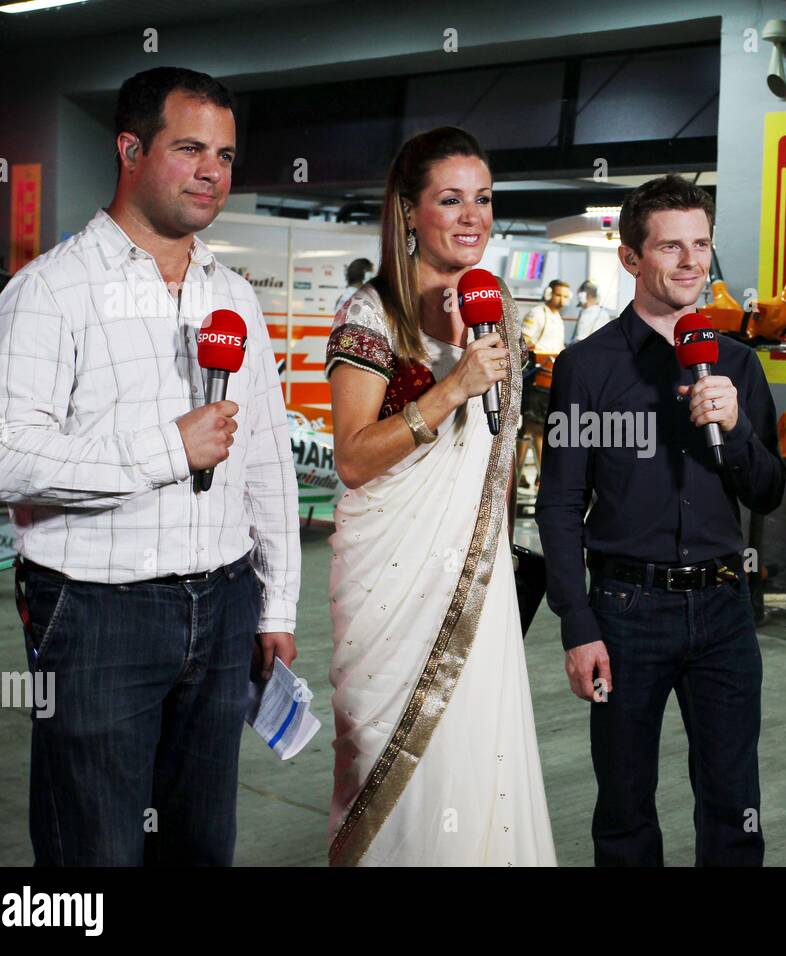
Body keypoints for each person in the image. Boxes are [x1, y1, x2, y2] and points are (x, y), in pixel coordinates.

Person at [0, 66, 301, 866]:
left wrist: (277, 604)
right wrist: (166, 448)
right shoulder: (51, 291)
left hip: (224, 606)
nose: (212, 171)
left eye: (224, 154)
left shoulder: (235, 296)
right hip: (94, 615)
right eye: (190, 149)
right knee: (96, 849)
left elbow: (264, 459)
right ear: (129, 149)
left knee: (199, 845)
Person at [536, 174, 786, 866]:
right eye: (670, 247)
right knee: (623, 810)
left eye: (700, 245)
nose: (690, 263)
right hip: (624, 612)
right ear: (630, 258)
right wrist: (578, 627)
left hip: (725, 614)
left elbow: (769, 491)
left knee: (734, 806)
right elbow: (558, 505)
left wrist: (734, 429)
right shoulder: (587, 369)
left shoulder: (736, 364)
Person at [324, 125, 556, 867]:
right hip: (391, 586)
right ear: (408, 211)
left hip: (476, 581)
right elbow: (355, 458)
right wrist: (455, 384)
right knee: (392, 757)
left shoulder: (502, 313)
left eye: (483, 199)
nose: (471, 216)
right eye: (450, 199)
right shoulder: (371, 314)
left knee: (476, 752)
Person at [516, 279, 570, 487]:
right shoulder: (538, 314)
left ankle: (528, 475)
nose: (562, 299)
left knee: (533, 429)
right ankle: (541, 476)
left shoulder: (557, 317)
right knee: (534, 429)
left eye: (565, 296)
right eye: (558, 294)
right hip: (537, 378)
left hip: (551, 378)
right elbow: (524, 342)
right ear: (549, 293)